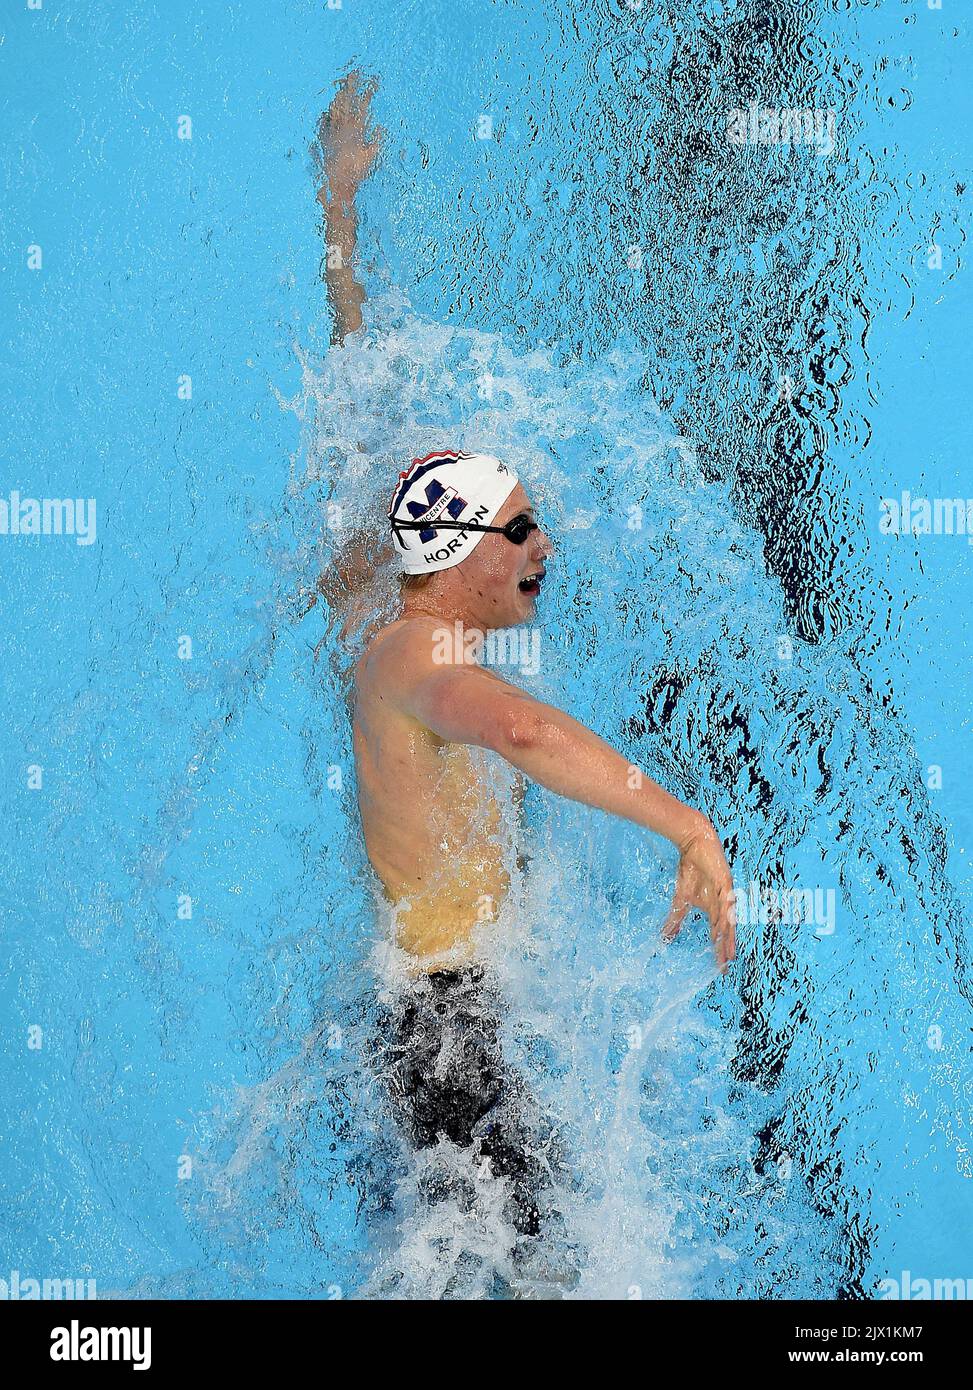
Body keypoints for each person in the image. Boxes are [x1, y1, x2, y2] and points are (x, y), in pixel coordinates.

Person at [312, 71, 736, 1244]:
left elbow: (353, 400)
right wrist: (687, 825)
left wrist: (339, 218)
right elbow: (523, 730)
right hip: (445, 1034)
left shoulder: (379, 607)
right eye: (518, 532)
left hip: (441, 1015)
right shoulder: (419, 664)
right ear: (454, 558)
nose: (545, 547)